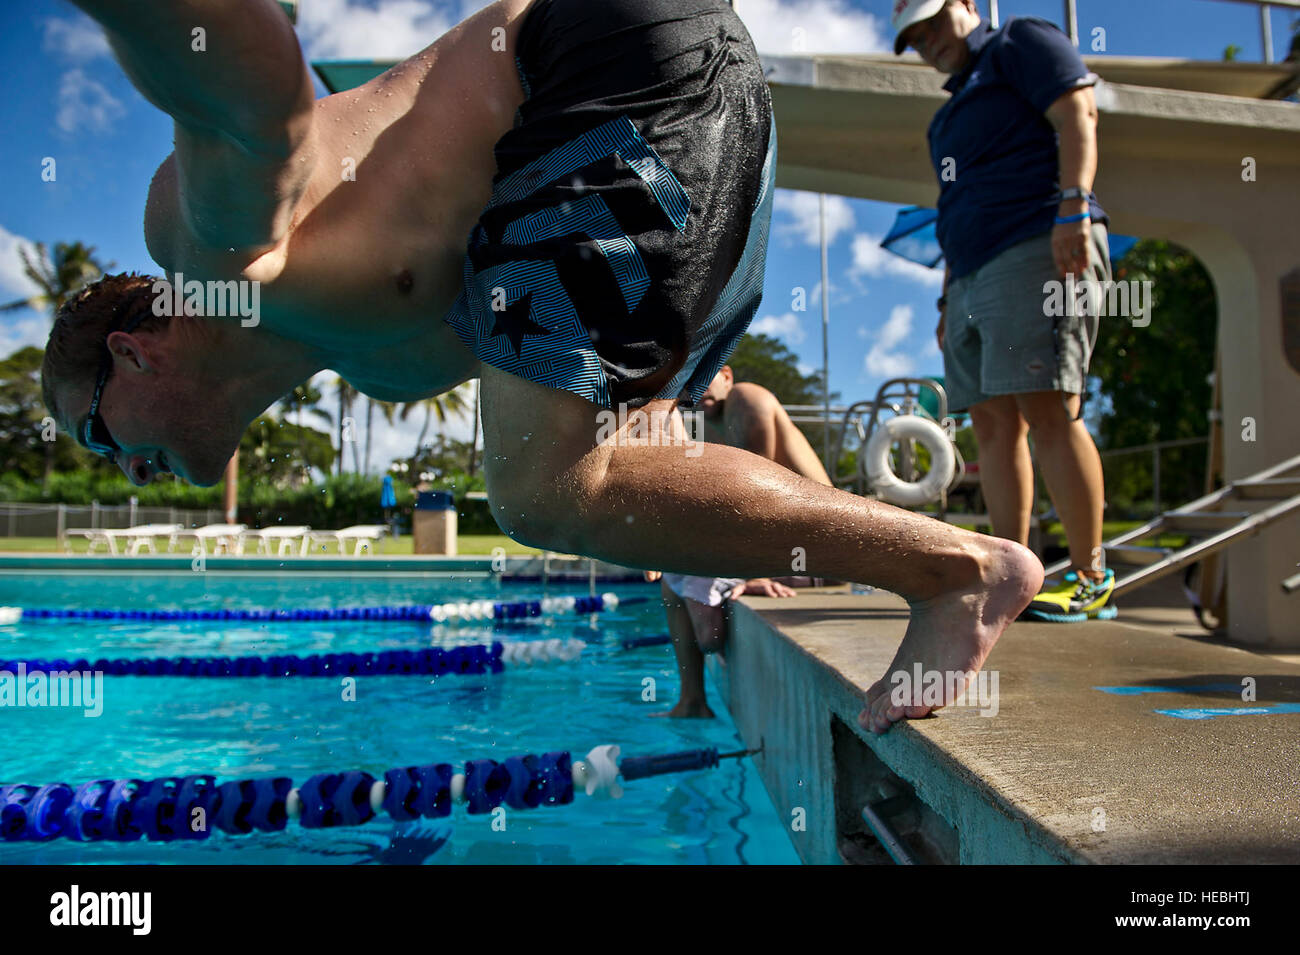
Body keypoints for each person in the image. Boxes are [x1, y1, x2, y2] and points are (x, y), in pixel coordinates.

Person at [42, 0, 1042, 734]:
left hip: (600, 52)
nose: (114, 462)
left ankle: (957, 569)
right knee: (570, 469)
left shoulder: (205, 243)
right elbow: (583, 340)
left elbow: (251, 98)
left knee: (538, 487)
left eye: (95, 430)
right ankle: (915, 563)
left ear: (129, 352)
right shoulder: (383, 370)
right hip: (695, 115)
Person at [893, 0, 1116, 623]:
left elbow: (1078, 111)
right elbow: (954, 203)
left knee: (1048, 405)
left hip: (1036, 242)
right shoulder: (945, 119)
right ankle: (1010, 574)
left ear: (966, 5)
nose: (927, 41)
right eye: (914, 38)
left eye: (934, 22)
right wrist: (946, 296)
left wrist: (1072, 207)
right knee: (991, 426)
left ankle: (1093, 576)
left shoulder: (1021, 41)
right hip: (967, 275)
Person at [647, 367, 835, 718]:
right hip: (784, 544)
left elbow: (760, 501)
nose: (696, 384)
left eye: (706, 370)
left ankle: (693, 700)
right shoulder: (698, 428)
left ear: (728, 375)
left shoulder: (748, 399)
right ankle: (692, 701)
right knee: (671, 582)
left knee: (708, 633)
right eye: (687, 377)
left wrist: (754, 572)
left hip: (819, 550)